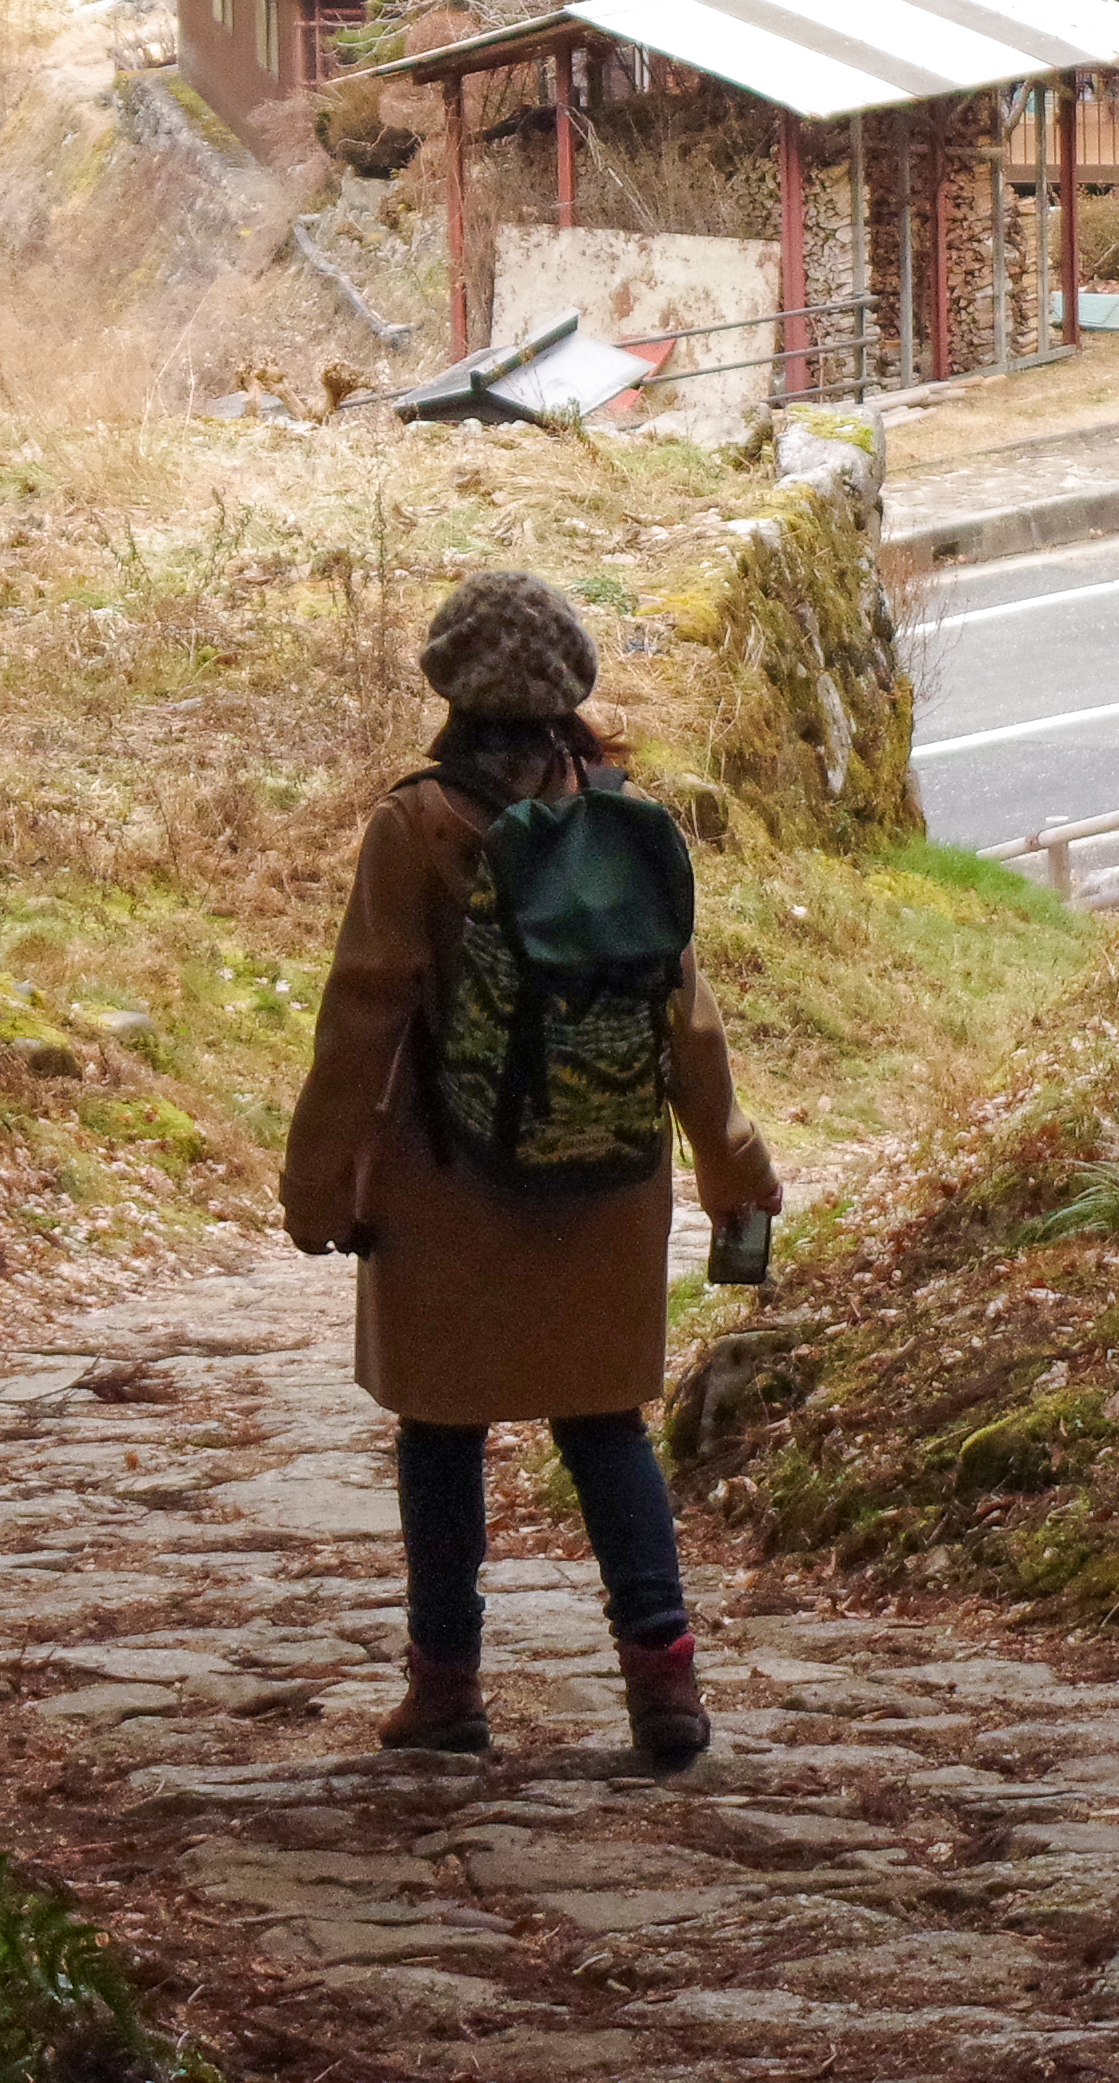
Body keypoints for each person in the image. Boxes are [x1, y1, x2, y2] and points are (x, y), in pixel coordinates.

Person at [280, 567, 783, 1766]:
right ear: (569, 694)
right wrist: (729, 1166)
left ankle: (446, 1690)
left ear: (447, 688)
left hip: (447, 1181)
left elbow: (363, 1018)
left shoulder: (419, 828)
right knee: (606, 1427)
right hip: (608, 1177)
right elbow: (686, 1022)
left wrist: (316, 1183)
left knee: (441, 1434)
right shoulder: (617, 820)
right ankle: (664, 1687)